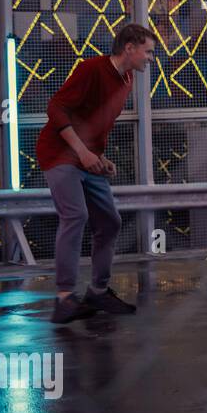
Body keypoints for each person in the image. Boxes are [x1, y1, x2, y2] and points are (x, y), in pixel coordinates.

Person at [39, 23, 156, 323]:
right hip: (60, 154)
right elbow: (57, 108)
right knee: (75, 216)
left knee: (110, 221)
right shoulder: (91, 69)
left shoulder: (126, 80)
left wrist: (100, 158)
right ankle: (64, 298)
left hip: (87, 159)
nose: (151, 58)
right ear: (129, 48)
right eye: (148, 51)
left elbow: (93, 123)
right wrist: (82, 152)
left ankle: (98, 291)